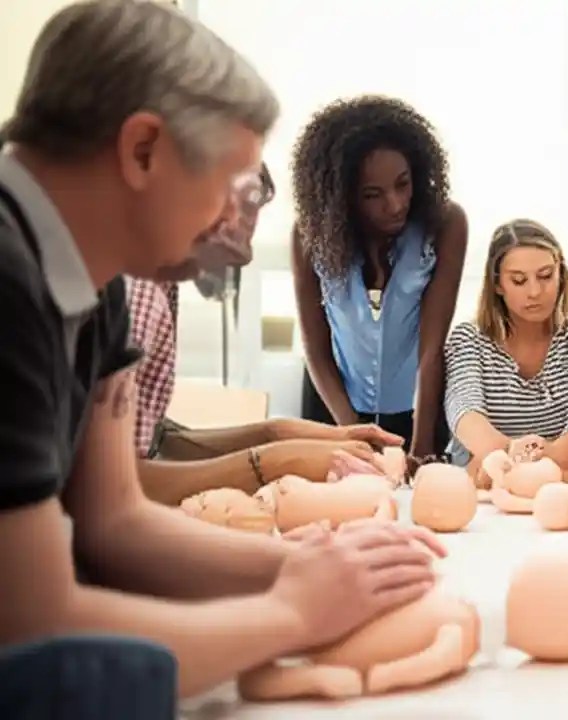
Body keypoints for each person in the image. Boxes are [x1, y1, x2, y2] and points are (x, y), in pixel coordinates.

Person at [0, 0, 440, 709]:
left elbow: (115, 520)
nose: (229, 221)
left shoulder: (97, 277)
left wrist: (312, 568)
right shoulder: (10, 275)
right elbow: (31, 625)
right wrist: (291, 612)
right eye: (231, 187)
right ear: (142, 150)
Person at [129, 164, 402, 506]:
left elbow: (156, 439)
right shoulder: (137, 294)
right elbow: (110, 487)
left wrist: (277, 433)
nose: (258, 207)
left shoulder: (158, 286)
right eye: (250, 191)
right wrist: (277, 461)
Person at [291, 95, 467, 472]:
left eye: (403, 185)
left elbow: (431, 350)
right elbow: (316, 349)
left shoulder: (445, 225)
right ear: (342, 198)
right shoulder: (310, 236)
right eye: (373, 195)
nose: (395, 204)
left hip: (418, 412)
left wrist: (422, 444)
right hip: (335, 409)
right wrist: (353, 434)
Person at [444, 219, 568, 478]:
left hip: (566, 486)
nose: (535, 291)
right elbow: (465, 413)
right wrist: (512, 451)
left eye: (546, 276)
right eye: (518, 280)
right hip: (493, 487)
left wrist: (536, 462)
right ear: (497, 285)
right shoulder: (468, 339)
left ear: (561, 274)